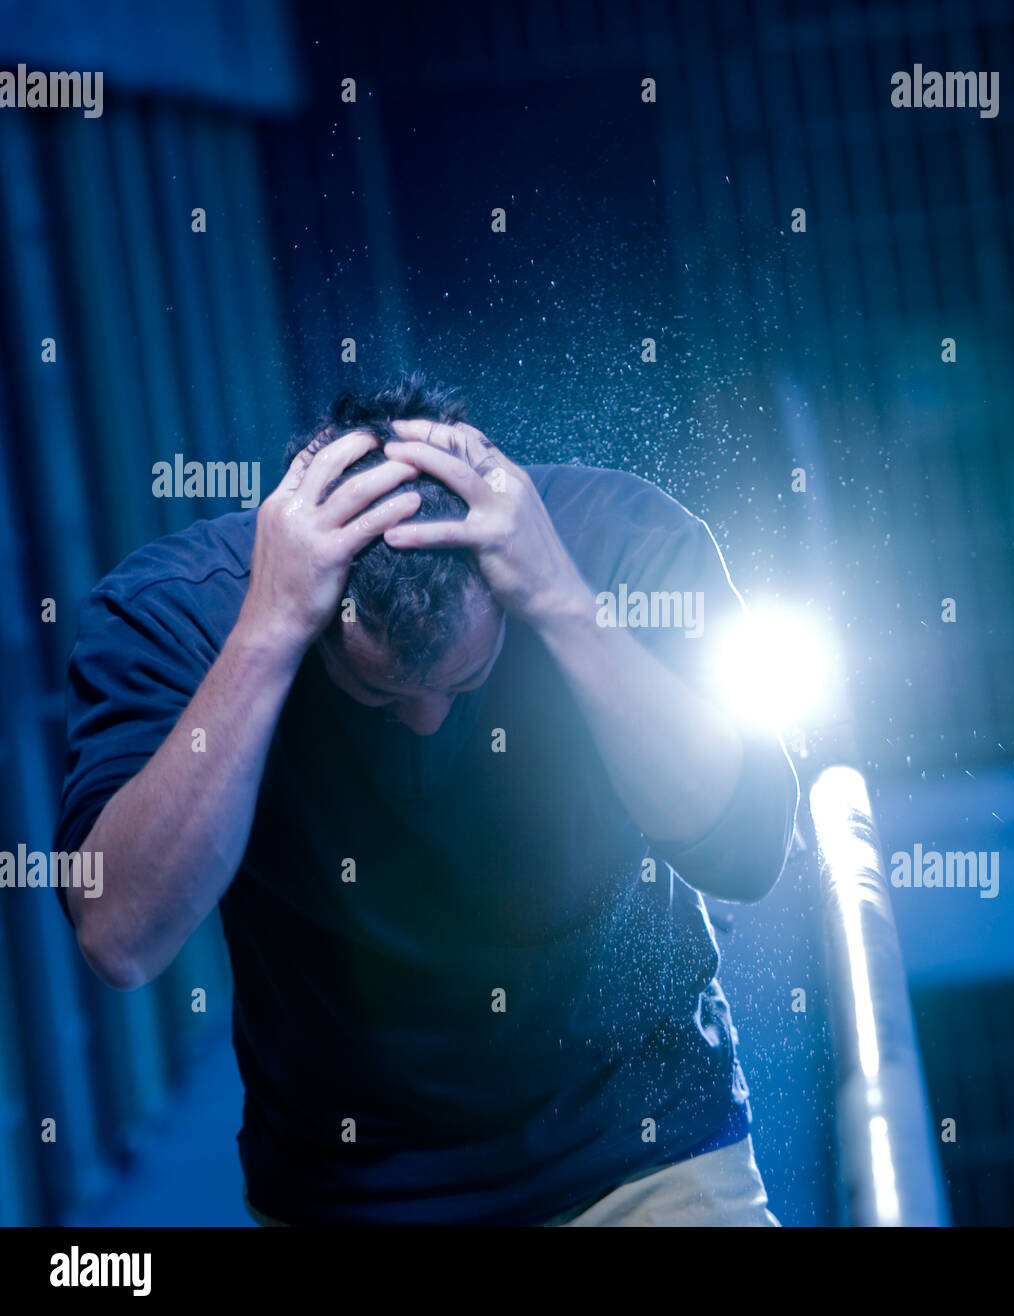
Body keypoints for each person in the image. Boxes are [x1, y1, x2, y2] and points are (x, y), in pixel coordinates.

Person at [54, 374, 799, 1226]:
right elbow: (120, 936)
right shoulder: (182, 614)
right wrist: (266, 635)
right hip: (352, 1190)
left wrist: (561, 603)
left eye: (465, 679)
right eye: (380, 695)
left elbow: (746, 851)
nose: (427, 720)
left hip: (641, 1146)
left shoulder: (612, 544)